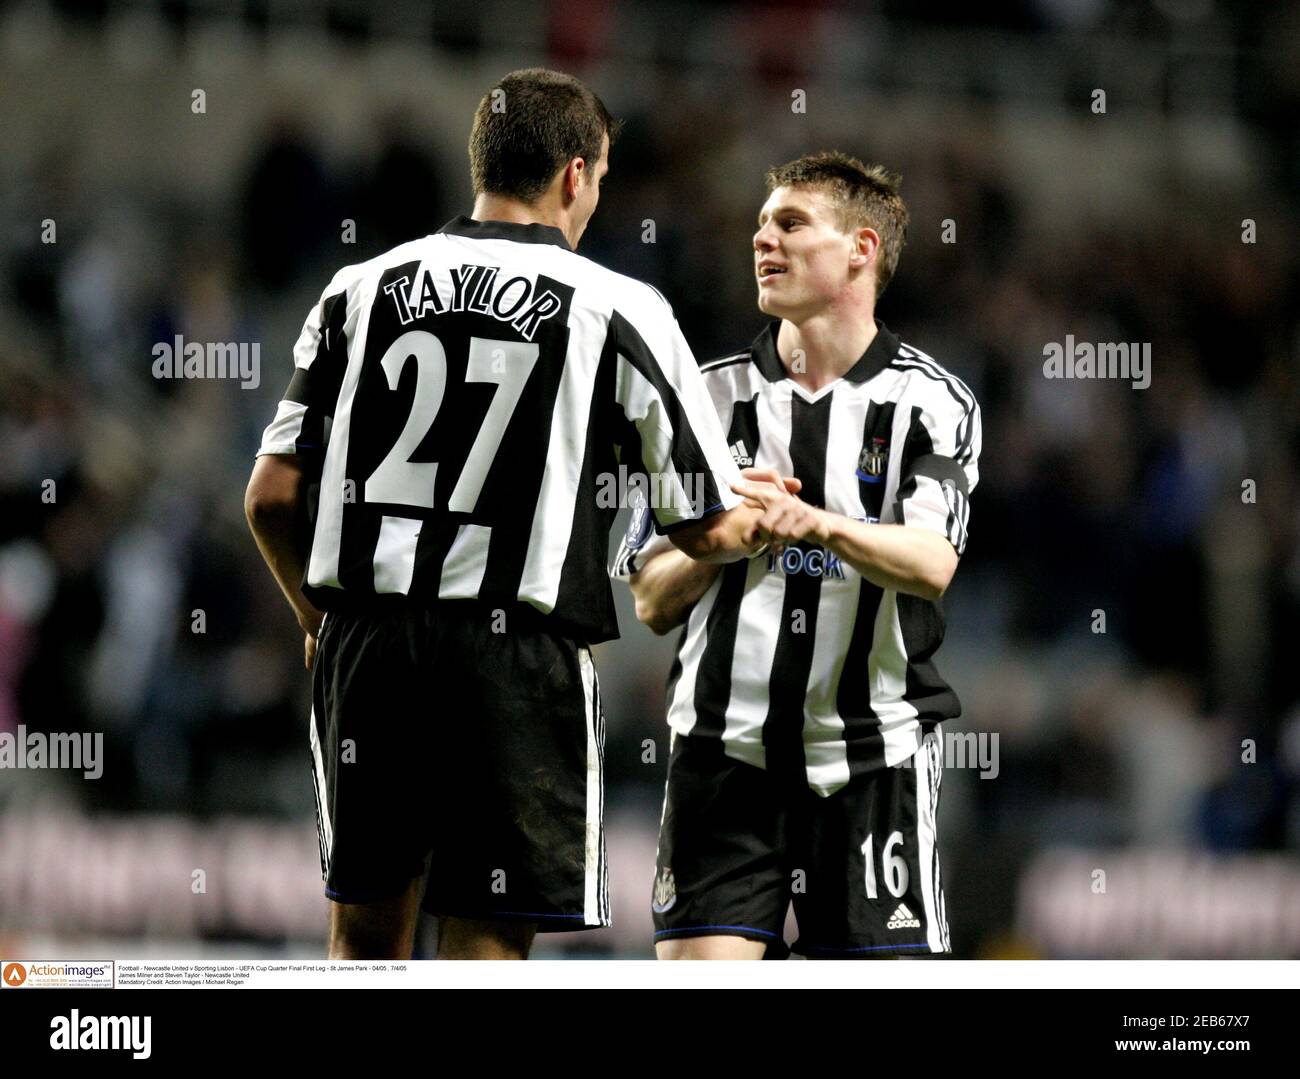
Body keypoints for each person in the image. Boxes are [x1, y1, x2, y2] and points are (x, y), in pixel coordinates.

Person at [244, 68, 770, 960]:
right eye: (599, 181)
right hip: (515, 658)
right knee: (487, 942)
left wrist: (315, 616)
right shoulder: (618, 306)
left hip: (369, 643)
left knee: (364, 937)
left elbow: (269, 498)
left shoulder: (359, 288)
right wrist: (759, 517)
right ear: (575, 175)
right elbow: (707, 529)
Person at [612, 151, 982, 959]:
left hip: (872, 761)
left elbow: (931, 562)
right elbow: (649, 596)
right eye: (758, 225)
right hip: (723, 753)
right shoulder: (703, 399)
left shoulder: (932, 402)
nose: (762, 240)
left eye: (789, 223)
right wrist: (726, 541)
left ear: (862, 249)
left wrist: (813, 524)